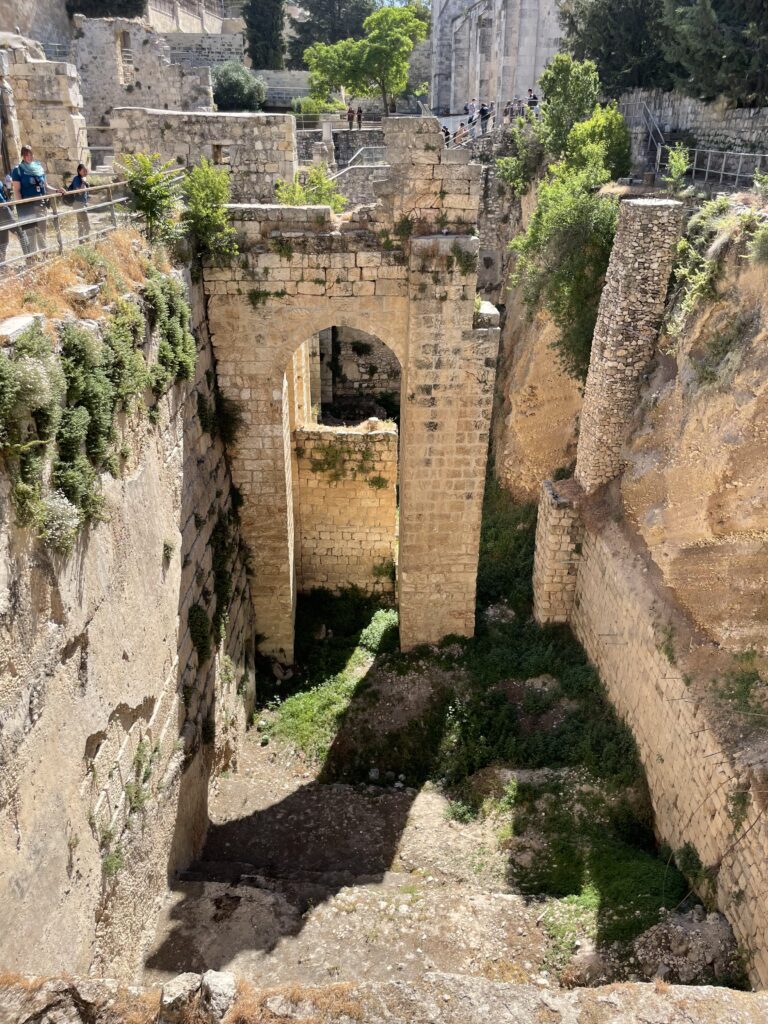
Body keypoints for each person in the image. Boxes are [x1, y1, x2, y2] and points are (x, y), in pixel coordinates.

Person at [11, 144, 64, 258]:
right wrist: (21, 207)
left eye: (30, 153)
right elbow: (17, 191)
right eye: (26, 154)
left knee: (42, 233)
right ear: (22, 155)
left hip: (40, 205)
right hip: (27, 207)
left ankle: (44, 258)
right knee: (31, 235)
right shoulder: (18, 170)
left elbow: (46, 186)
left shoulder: (39, 167)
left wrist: (57, 191)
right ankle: (32, 261)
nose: (29, 156)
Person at [67, 163, 90, 242]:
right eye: (83, 170)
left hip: (82, 204)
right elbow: (80, 192)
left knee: (81, 225)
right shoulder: (77, 179)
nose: (85, 172)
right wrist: (83, 182)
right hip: (79, 204)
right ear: (79, 171)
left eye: (86, 170)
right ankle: (87, 240)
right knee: (87, 225)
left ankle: (81, 241)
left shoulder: (83, 178)